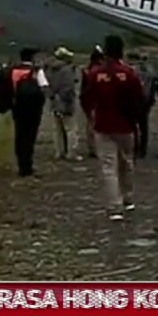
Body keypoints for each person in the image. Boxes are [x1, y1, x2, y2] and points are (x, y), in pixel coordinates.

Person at [83, 35, 146, 221]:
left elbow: (87, 98)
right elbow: (140, 98)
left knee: (108, 166)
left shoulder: (95, 73)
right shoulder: (129, 73)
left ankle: (114, 206)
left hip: (103, 124)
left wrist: (91, 116)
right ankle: (128, 197)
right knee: (126, 162)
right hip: (126, 125)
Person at [0, 47, 49, 177]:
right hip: (33, 109)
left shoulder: (12, 71)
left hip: (17, 107)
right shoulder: (36, 71)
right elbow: (44, 88)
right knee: (30, 136)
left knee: (19, 135)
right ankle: (28, 165)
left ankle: (21, 165)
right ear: (32, 58)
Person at [49, 47, 81, 160]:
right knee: (71, 129)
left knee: (57, 129)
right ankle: (71, 153)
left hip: (54, 101)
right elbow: (68, 88)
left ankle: (59, 151)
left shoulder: (51, 69)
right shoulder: (67, 70)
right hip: (66, 102)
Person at [79, 47, 104, 159]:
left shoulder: (87, 70)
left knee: (90, 124)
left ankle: (92, 147)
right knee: (96, 125)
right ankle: (96, 148)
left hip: (87, 101)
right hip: (96, 101)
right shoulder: (98, 71)